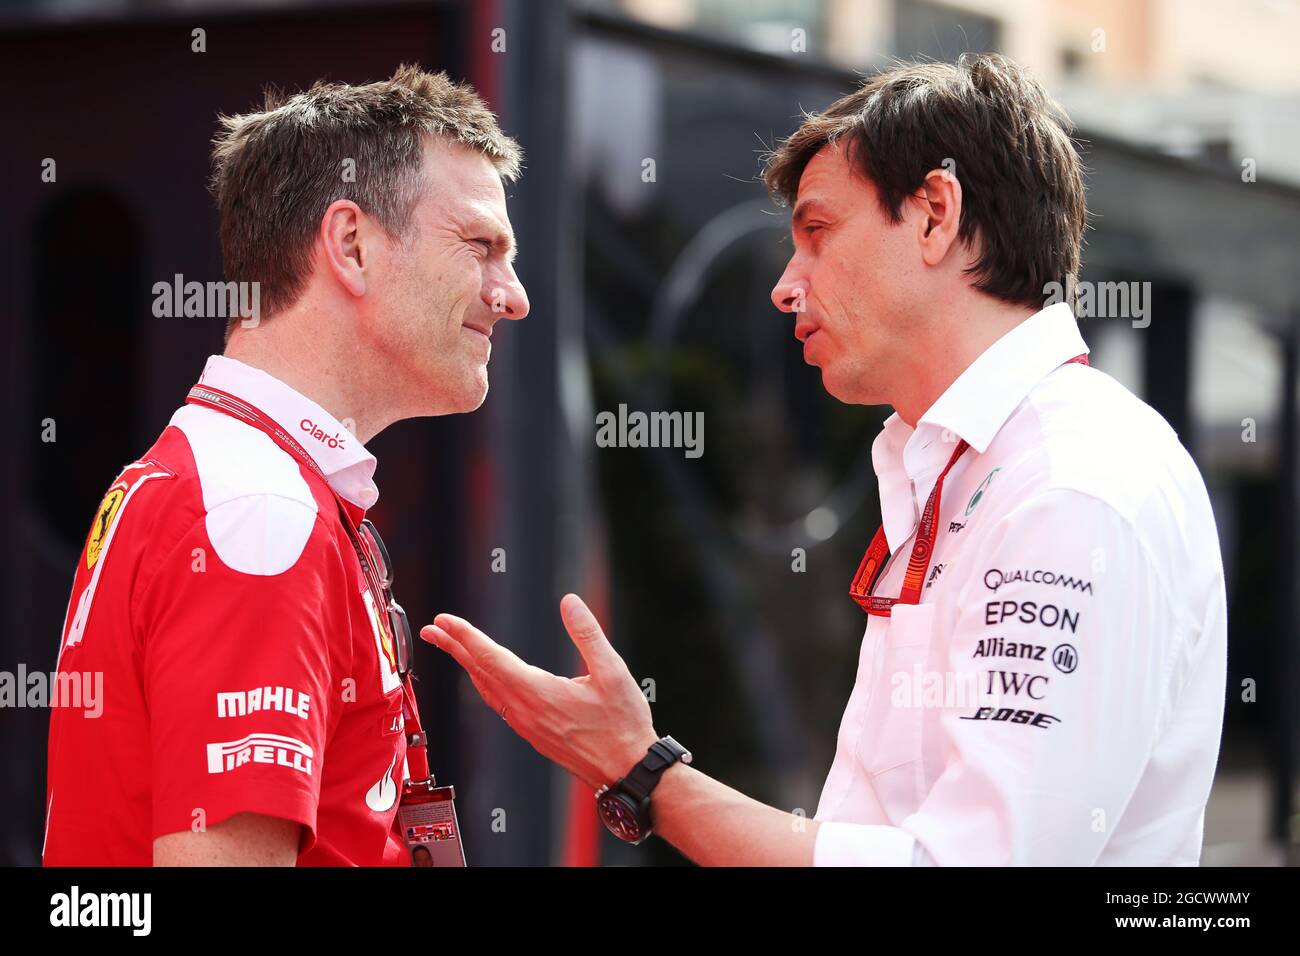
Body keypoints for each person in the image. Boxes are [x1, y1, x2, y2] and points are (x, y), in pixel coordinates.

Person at [422, 54, 1227, 866]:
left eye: (817, 233)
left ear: (934, 215)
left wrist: (642, 772)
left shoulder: (1068, 484)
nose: (786, 284)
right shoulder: (980, 464)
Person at [43, 65, 529, 866]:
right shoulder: (258, 508)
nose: (511, 295)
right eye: (480, 245)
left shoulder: (229, 477)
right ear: (351, 246)